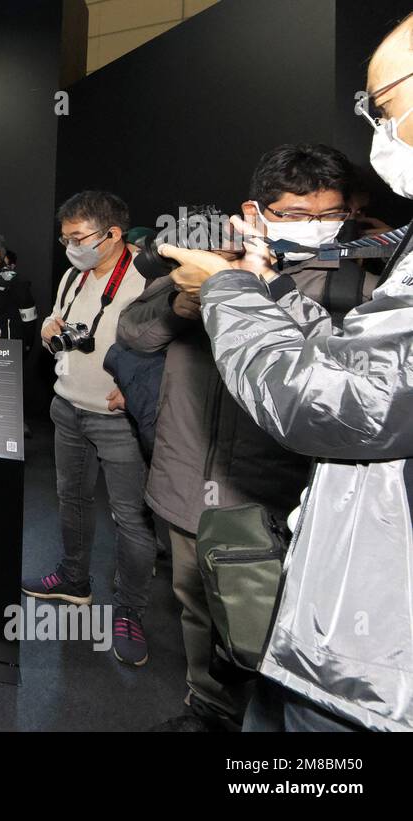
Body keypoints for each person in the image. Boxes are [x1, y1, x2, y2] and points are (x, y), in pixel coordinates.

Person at [159, 14, 413, 731]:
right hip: (208, 489)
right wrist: (224, 292)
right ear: (255, 213)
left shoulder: (358, 275)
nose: (382, 130)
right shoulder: (248, 268)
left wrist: (231, 294)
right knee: (205, 618)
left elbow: (338, 396)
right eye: (296, 214)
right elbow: (345, 366)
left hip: (362, 624)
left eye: (385, 109)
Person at [118, 144, 379, 731]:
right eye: (292, 214)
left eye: (327, 216)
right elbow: (134, 335)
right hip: (186, 476)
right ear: (255, 211)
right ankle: (206, 709)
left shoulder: (355, 292)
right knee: (196, 608)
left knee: (267, 625)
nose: (313, 229)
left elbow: (351, 398)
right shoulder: (209, 263)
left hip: (274, 497)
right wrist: (185, 306)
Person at [21, 191, 153, 667]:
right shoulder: (74, 276)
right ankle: (74, 580)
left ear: (113, 234)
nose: (71, 247)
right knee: (71, 498)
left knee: (131, 520)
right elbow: (62, 323)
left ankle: (129, 611)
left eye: (79, 238)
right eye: (66, 239)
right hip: (67, 407)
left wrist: (143, 386)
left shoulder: (148, 276)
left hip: (120, 420)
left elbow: (173, 344)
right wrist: (48, 329)